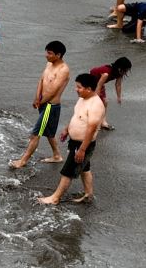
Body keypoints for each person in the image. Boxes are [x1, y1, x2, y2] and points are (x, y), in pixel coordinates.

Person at [37, 74, 107, 206]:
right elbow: (77, 116)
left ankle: (55, 198)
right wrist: (67, 129)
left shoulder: (96, 105)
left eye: (79, 87)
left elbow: (91, 129)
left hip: (83, 144)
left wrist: (82, 150)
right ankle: (88, 194)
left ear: (89, 89)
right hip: (75, 142)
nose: (76, 89)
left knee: (68, 171)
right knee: (84, 168)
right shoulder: (82, 99)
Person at [11, 41, 70, 170]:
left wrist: (40, 101)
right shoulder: (49, 64)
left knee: (35, 134)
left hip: (50, 106)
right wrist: (37, 97)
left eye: (49, 53)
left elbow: (53, 90)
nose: (46, 55)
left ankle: (23, 161)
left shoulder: (63, 70)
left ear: (58, 55)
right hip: (43, 103)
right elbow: (42, 80)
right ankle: (57, 155)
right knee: (49, 132)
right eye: (46, 52)